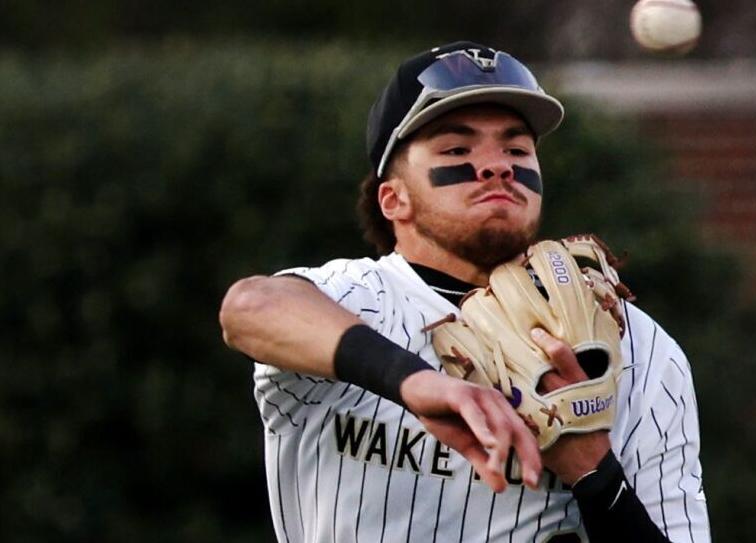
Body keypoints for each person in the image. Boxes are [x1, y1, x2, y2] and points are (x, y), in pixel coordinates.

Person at [219, 41, 711, 543]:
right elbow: (249, 307)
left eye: (516, 149)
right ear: (394, 199)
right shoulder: (358, 298)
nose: (497, 166)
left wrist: (593, 472)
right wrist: (415, 382)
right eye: (458, 149)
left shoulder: (635, 347)